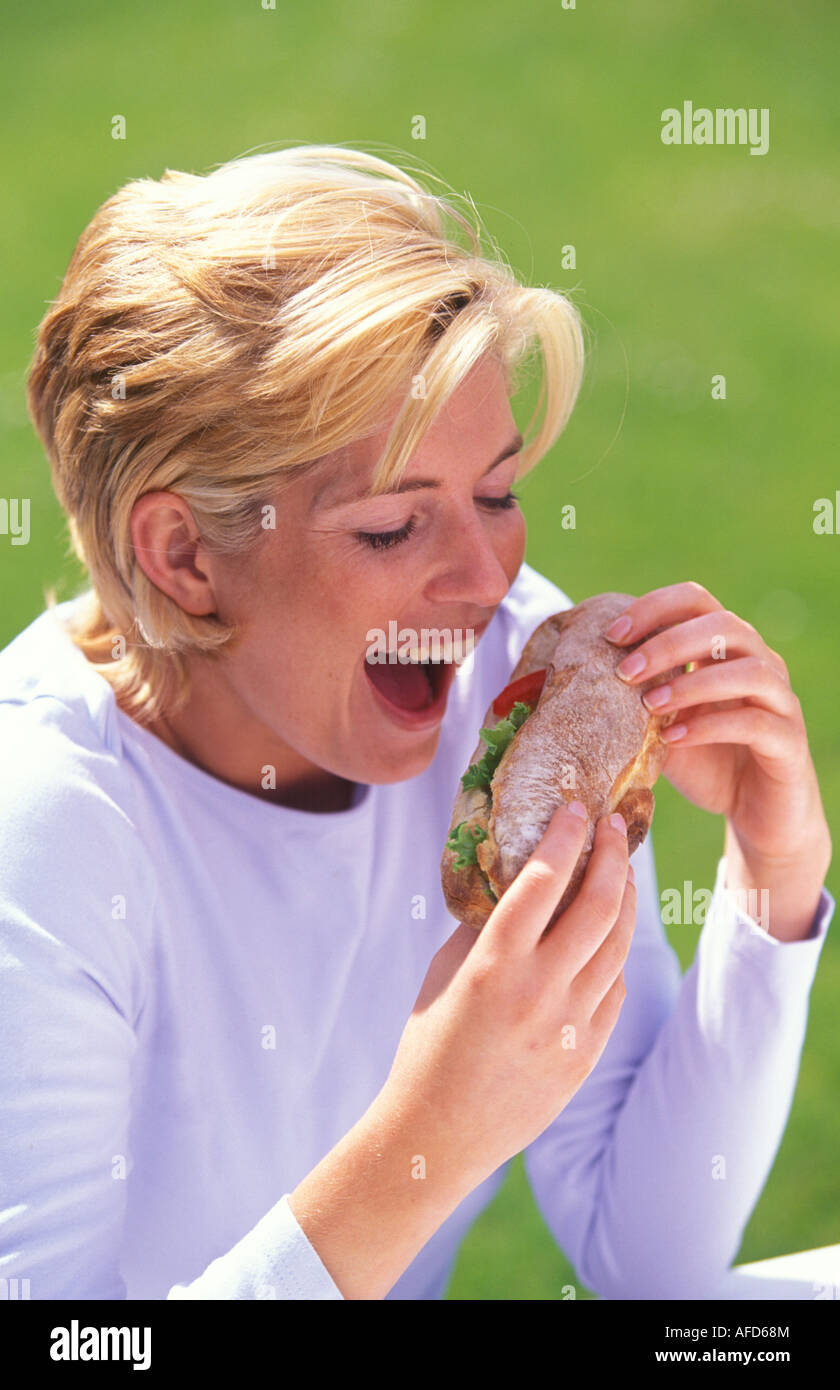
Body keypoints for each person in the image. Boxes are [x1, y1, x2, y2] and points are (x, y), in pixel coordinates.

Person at [0, 145, 833, 1302]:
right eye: (393, 527)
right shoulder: (43, 829)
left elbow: (653, 1258)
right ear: (185, 557)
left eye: (496, 493)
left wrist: (773, 877)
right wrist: (427, 1134)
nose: (488, 576)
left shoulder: (506, 708)